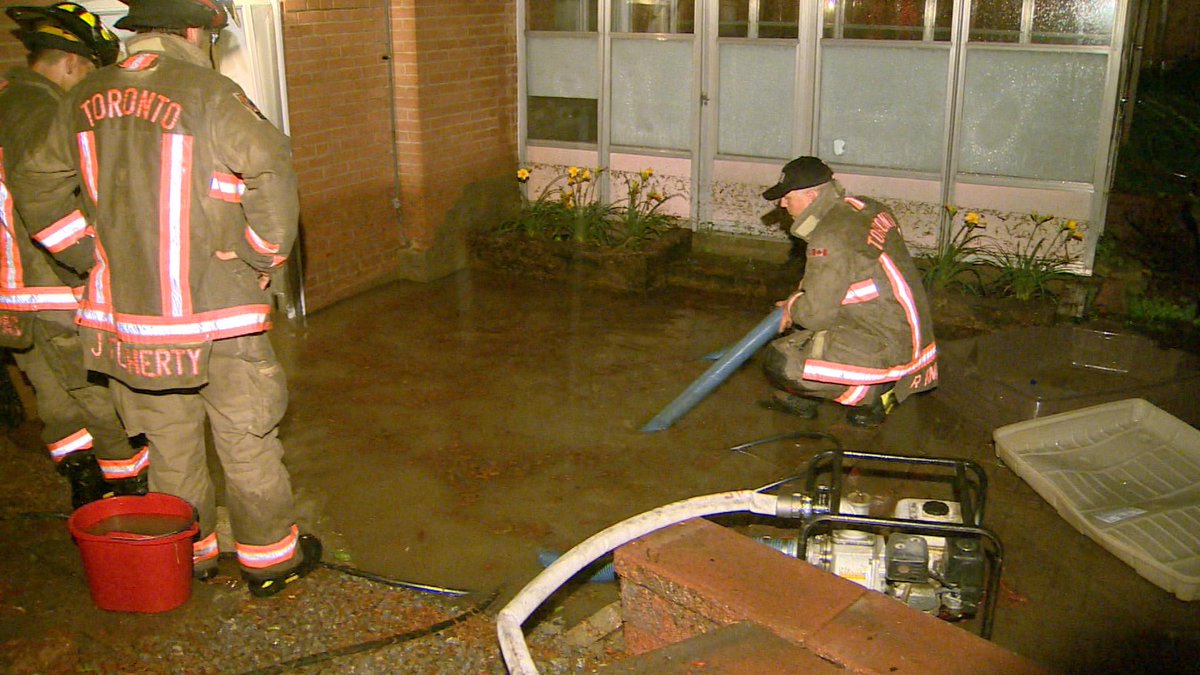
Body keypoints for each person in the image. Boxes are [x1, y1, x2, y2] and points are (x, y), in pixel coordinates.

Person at [13, 0, 320, 596]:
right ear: (192, 30)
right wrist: (261, 255)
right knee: (245, 438)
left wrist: (85, 257)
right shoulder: (210, 92)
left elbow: (33, 182)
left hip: (130, 322)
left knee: (169, 443)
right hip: (217, 318)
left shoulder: (80, 99)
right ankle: (270, 563)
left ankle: (191, 556)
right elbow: (271, 166)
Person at [0, 2, 148, 508]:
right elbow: (45, 193)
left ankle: (84, 485)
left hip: (14, 288)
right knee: (95, 390)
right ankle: (131, 487)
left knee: (53, 392)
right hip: (49, 283)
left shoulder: (7, 99)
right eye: (88, 71)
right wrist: (91, 260)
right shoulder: (39, 109)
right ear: (69, 63)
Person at [760, 156, 938, 427]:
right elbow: (836, 275)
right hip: (911, 331)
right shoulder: (865, 207)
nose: (782, 203)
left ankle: (873, 395)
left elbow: (816, 316)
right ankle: (807, 397)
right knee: (802, 329)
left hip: (891, 344)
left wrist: (791, 307)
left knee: (781, 360)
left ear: (811, 196)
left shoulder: (830, 237)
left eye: (787, 197)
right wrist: (798, 300)